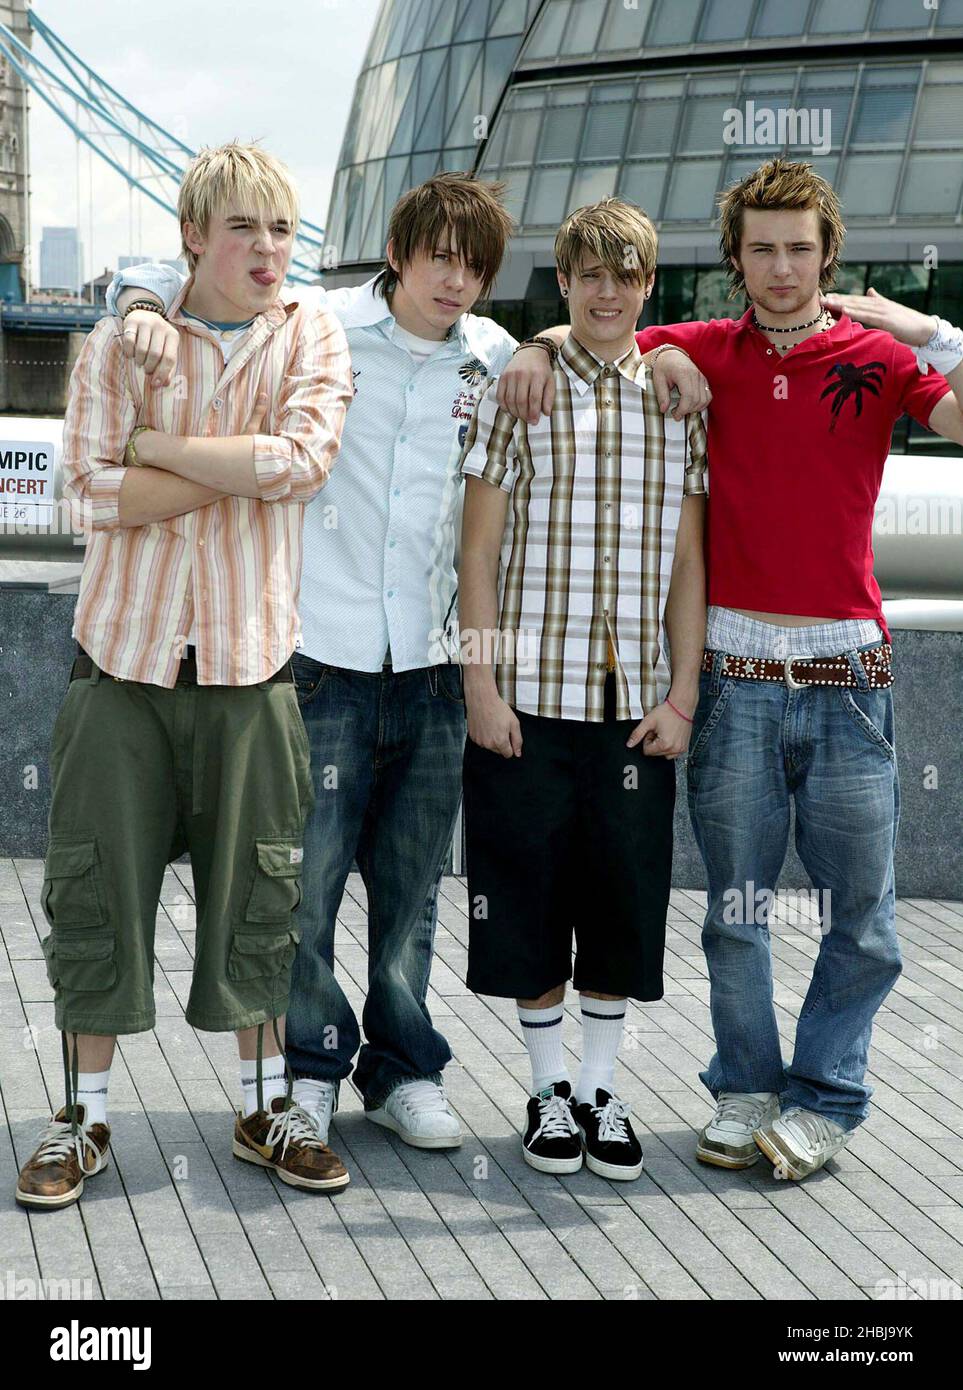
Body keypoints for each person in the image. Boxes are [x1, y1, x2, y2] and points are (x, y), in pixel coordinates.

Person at [108, 176, 706, 1155]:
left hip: (435, 671)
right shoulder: (317, 326)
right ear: (400, 252)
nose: (456, 279)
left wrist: (603, 344)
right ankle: (309, 1071)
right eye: (440, 257)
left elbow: (597, 354)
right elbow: (187, 285)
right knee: (302, 885)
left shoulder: (500, 361)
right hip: (320, 659)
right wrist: (138, 302)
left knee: (414, 891)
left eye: (475, 264)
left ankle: (402, 1070)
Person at [493, 157, 963, 1181]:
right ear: (736, 259)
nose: (783, 267)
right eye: (763, 249)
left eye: (801, 248)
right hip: (738, 679)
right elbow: (602, 322)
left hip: (849, 679)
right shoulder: (699, 350)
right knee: (735, 913)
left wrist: (934, 331)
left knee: (865, 919)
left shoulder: (880, 357)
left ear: (829, 255)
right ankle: (747, 1087)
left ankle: (826, 1097)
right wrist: (534, 340)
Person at [16, 143, 354, 1210]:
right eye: (244, 228)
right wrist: (223, 468)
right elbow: (86, 493)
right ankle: (83, 1120)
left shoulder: (312, 333)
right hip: (121, 664)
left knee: (261, 893)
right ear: (194, 237)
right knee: (94, 897)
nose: (266, 250)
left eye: (282, 230)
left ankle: (262, 1109)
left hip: (252, 671)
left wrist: (158, 448)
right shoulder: (120, 339)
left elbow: (301, 463)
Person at [458, 198, 708, 1180]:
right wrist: (479, 680)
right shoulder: (516, 391)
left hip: (633, 707)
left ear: (649, 286)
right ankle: (548, 1092)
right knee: (525, 901)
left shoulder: (679, 398)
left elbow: (690, 561)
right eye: (589, 274)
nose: (608, 291)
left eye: (626, 275)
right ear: (564, 283)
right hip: (527, 696)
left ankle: (604, 1091)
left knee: (621, 902)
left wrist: (683, 691)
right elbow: (475, 553)